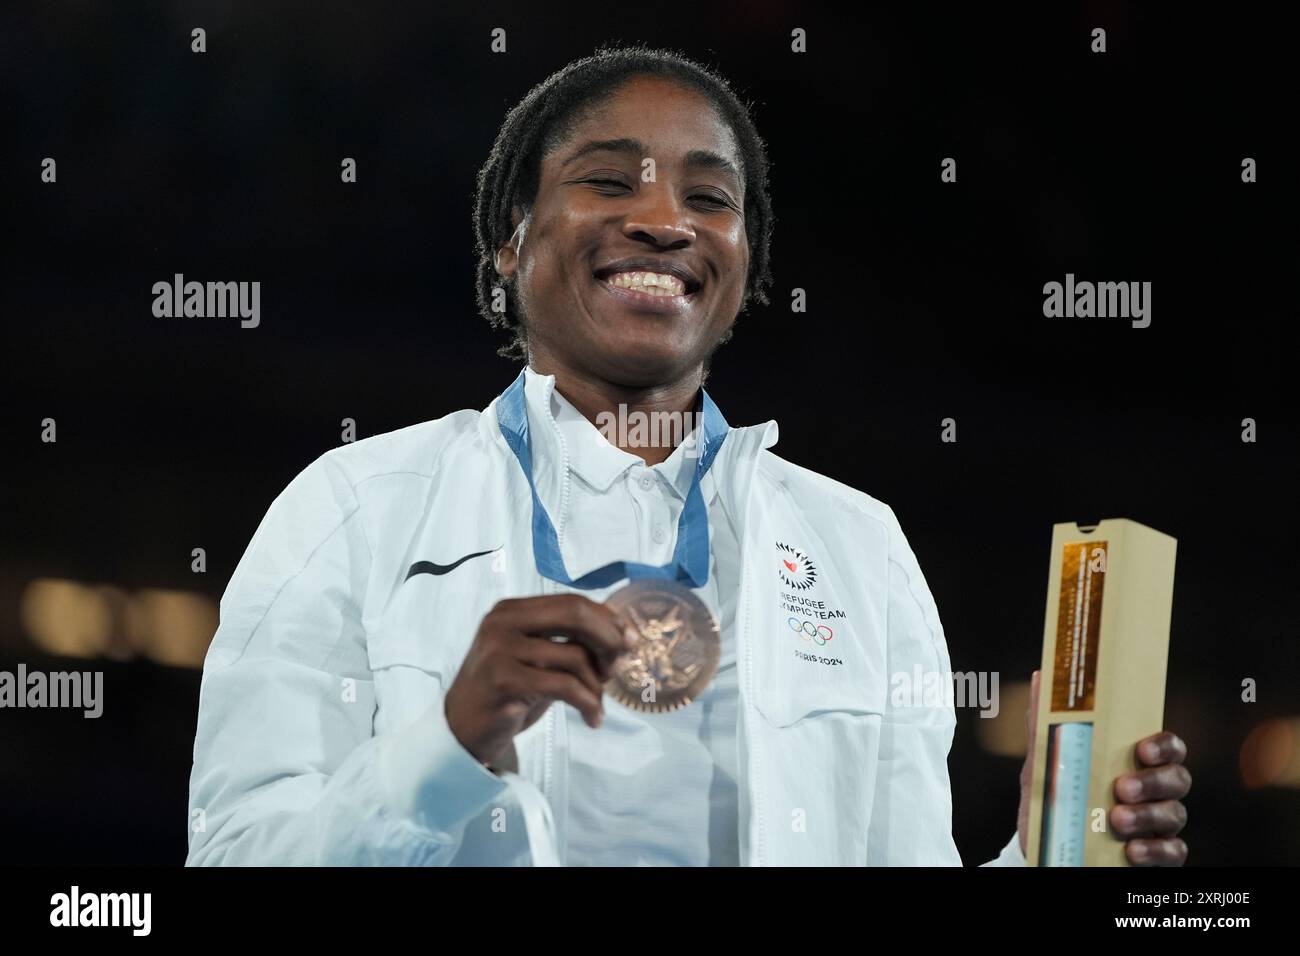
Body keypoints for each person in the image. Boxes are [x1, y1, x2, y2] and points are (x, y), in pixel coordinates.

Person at [186, 46, 1190, 866]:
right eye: (607, 180)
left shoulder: (855, 543)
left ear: (742, 258)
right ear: (510, 239)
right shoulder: (354, 506)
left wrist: (1050, 851)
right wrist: (444, 744)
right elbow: (233, 856)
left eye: (710, 199)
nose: (664, 221)